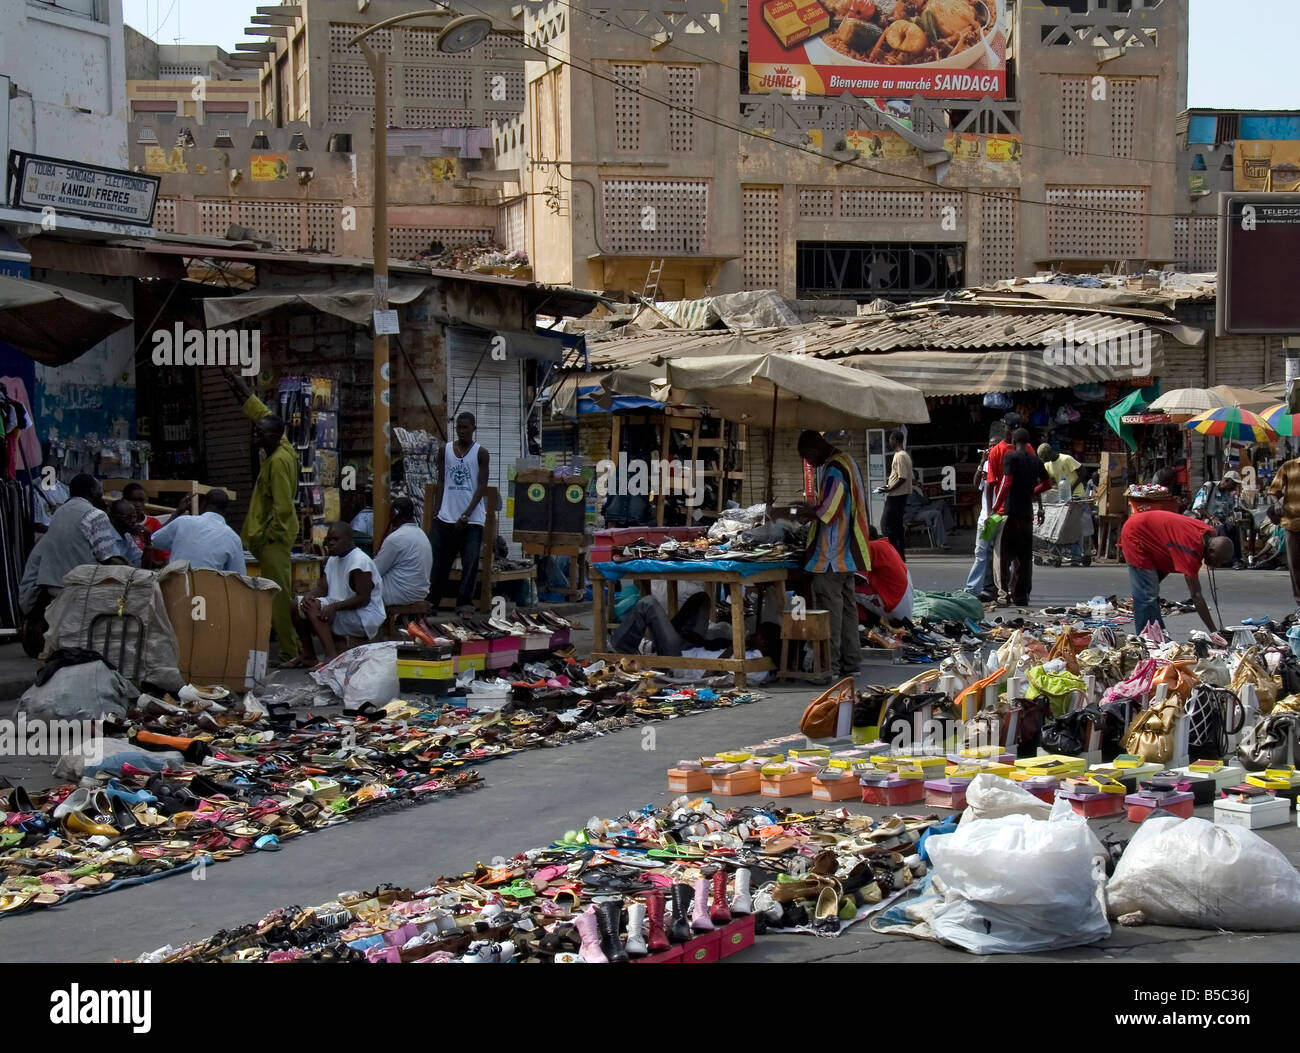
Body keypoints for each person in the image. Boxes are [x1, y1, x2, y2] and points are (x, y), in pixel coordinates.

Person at [224, 373, 301, 666]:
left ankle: (290, 652)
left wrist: (269, 536)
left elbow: (283, 507)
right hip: (268, 536)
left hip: (274, 538)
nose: (256, 436)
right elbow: (263, 415)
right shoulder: (278, 443)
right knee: (281, 591)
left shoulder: (280, 460)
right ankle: (295, 647)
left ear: (273, 436)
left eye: (261, 434)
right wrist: (239, 388)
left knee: (277, 595)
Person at [18, 474, 131, 658]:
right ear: (92, 491)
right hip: (79, 584)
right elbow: (106, 557)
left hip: (51, 583)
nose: (102, 493)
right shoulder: (95, 515)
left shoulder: (59, 512)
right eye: (99, 489)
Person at [789, 430, 872, 678]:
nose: (809, 464)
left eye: (807, 458)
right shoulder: (848, 461)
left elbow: (829, 510)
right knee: (847, 609)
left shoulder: (835, 468)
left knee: (831, 611)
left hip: (832, 554)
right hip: (847, 553)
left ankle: (831, 665)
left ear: (813, 451)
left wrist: (809, 511)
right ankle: (851, 662)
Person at [1120, 510, 1233, 635]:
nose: (1215, 566)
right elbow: (1196, 595)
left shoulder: (1209, 534)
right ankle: (1146, 638)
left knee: (1151, 592)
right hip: (1136, 535)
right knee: (1146, 596)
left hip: (1155, 539)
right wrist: (1213, 631)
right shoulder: (1190, 549)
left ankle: (1158, 633)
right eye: (1216, 561)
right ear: (1211, 551)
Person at [294, 521, 385, 665]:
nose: (330, 543)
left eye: (335, 539)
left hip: (363, 616)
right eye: (329, 540)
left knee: (314, 607)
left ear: (349, 539)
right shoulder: (333, 559)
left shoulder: (360, 562)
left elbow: (363, 599)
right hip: (342, 609)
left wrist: (334, 607)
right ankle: (308, 655)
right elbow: (322, 589)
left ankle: (331, 656)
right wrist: (309, 595)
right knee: (297, 604)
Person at [429, 412, 491, 614]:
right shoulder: (444, 451)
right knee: (439, 562)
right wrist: (437, 510)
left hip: (472, 519)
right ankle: (432, 601)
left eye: (466, 427)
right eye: (459, 427)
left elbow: (481, 487)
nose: (462, 431)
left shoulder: (481, 453)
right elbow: (441, 482)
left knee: (470, 561)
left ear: (474, 428)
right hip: (446, 516)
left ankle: (464, 602)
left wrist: (466, 514)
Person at [992, 428, 1050, 608]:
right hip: (1027, 514)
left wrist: (995, 507)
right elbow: (1047, 484)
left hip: (1010, 513)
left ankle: (1003, 595)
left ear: (1013, 440)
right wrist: (1031, 492)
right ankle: (1021, 596)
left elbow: (1006, 483)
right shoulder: (1036, 460)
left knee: (1002, 557)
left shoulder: (1010, 457)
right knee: (1023, 558)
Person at [146, 489, 247, 572]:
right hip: (209, 591)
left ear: (204, 503)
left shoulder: (183, 521)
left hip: (177, 586)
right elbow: (239, 577)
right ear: (225, 510)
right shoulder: (233, 538)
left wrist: (177, 512)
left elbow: (154, 540)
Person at [373, 496, 433, 608]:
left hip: (400, 594)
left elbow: (376, 570)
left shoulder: (395, 538)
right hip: (420, 592)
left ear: (396, 513)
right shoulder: (421, 534)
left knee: (364, 586)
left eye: (390, 513)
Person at [983, 414, 1018, 602]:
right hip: (1022, 511)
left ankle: (994, 590)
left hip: (1002, 511)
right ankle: (1017, 590)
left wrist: (991, 511)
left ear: (1007, 428)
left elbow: (993, 485)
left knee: (994, 551)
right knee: (1017, 555)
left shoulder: (997, 452)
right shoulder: (1027, 450)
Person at [1038, 443, 1086, 564]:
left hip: (1076, 495)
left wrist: (1071, 488)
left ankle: (1076, 555)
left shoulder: (1066, 459)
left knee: (1074, 526)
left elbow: (1082, 472)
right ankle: (1056, 553)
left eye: (1045, 457)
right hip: (1063, 497)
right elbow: (1046, 479)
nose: (1045, 460)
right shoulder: (1048, 465)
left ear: (1050, 453)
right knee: (1060, 526)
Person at [858, 527, 914, 622]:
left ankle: (861, 622)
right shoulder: (887, 546)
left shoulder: (870, 547)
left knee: (846, 589)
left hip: (894, 606)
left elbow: (859, 578)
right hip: (904, 607)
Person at [1193, 471, 1246, 569]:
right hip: (1207, 519)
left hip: (1222, 520)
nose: (1235, 487)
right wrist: (1212, 517)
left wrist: (1232, 518)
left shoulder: (1228, 494)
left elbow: (1230, 511)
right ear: (1226, 481)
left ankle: (1238, 559)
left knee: (1234, 527)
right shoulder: (1209, 486)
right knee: (1220, 527)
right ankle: (1234, 560)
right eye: (1234, 484)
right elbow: (1198, 507)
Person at [1268, 454, 1300, 607]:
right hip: (1292, 523)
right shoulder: (1289, 466)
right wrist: (1276, 504)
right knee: (1295, 564)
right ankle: (1299, 602)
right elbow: (1274, 490)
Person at [875, 429, 912, 560]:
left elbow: (902, 478)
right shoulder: (904, 455)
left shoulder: (900, 455)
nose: (889, 442)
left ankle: (894, 554)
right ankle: (900, 555)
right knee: (896, 526)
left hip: (896, 496)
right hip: (898, 495)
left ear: (895, 440)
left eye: (890, 440)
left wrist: (888, 489)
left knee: (886, 525)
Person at [122, 482, 168, 566]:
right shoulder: (121, 524)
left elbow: (164, 557)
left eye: (141, 500)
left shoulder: (154, 523)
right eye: (134, 500)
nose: (138, 504)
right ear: (124, 500)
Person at [106, 499, 144, 567]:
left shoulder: (126, 535)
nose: (133, 521)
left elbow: (140, 561)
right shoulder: (106, 536)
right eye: (128, 517)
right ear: (113, 518)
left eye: (134, 517)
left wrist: (148, 542)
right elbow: (118, 566)